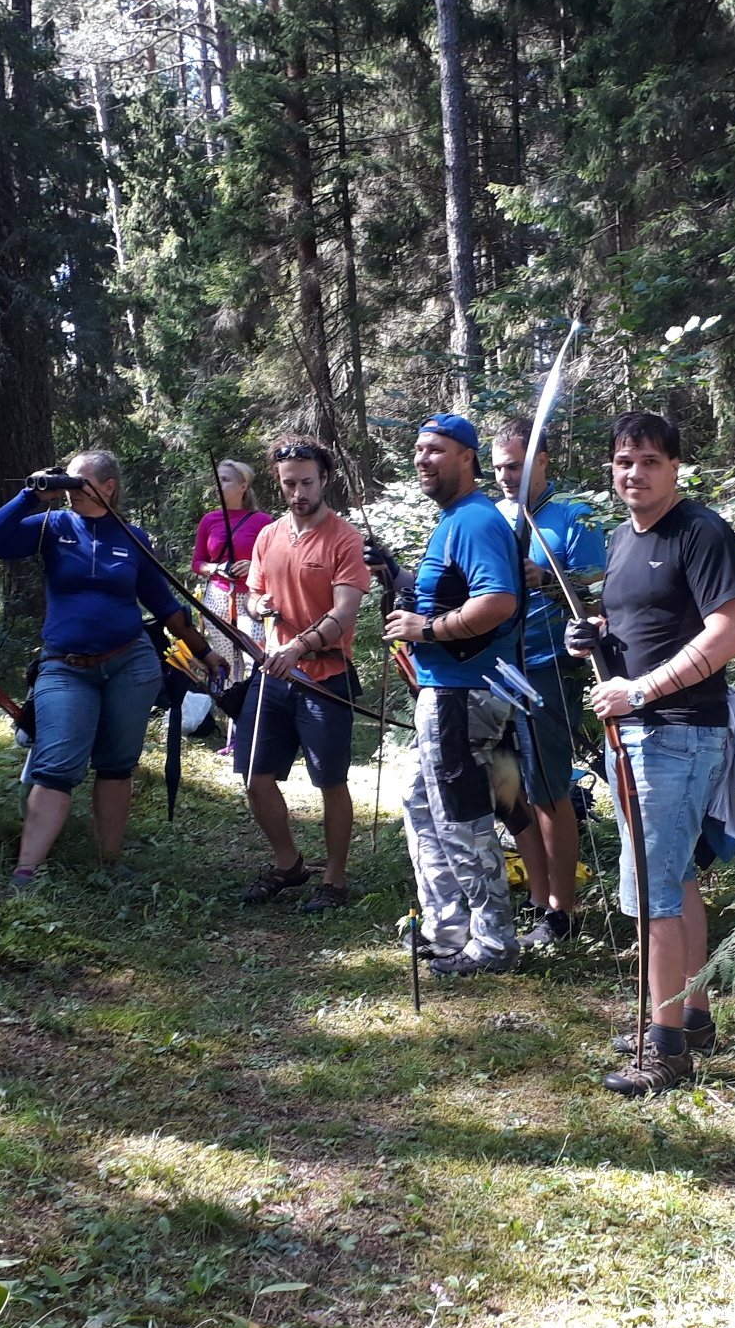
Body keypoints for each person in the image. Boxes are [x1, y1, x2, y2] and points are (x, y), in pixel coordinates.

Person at [566, 411, 735, 1095]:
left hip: (677, 730)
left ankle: (664, 1050)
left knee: (653, 892)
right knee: (675, 879)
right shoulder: (620, 540)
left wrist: (638, 690)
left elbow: (726, 636)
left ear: (674, 468)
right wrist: (596, 639)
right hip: (637, 729)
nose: (633, 473)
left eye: (648, 461)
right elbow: (641, 623)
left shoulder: (700, 532)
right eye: (622, 461)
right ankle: (691, 1018)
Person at [0, 451, 226, 893]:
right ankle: (25, 873)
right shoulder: (51, 527)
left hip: (129, 665)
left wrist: (204, 653)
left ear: (108, 486)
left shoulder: (133, 536)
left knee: (117, 766)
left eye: (80, 481)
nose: (71, 488)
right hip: (65, 666)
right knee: (56, 766)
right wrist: (30, 495)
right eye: (67, 480)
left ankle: (110, 862)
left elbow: (165, 606)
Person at [381, 413, 523, 975]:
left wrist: (429, 631)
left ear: (467, 457)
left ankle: (494, 942)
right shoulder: (453, 520)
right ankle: (447, 927)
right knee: (422, 804)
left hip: (463, 694)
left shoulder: (475, 521)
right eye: (418, 449)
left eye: (436, 450)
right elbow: (445, 593)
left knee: (462, 815)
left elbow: (498, 602)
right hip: (444, 690)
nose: (423, 459)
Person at [234, 439, 373, 915]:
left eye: (307, 482)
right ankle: (288, 864)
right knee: (255, 775)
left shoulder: (345, 539)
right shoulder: (268, 536)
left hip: (323, 678)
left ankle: (333, 879)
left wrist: (299, 647)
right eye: (289, 483)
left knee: (330, 781)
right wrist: (260, 606)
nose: (298, 492)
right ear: (278, 481)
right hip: (272, 675)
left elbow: (345, 612)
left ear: (324, 479)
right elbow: (253, 594)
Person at [491, 415, 606, 949]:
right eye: (497, 468)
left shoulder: (572, 518)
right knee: (507, 788)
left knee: (547, 788)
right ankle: (538, 900)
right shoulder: (493, 516)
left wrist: (551, 583)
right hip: (493, 669)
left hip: (548, 669)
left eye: (515, 465)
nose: (505, 477)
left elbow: (604, 594)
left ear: (542, 462)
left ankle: (565, 907)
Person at [191, 460, 273, 698]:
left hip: (251, 597)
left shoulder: (262, 521)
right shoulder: (209, 520)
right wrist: (219, 568)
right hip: (218, 596)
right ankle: (233, 717)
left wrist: (253, 565)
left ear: (243, 486)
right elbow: (198, 563)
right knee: (226, 659)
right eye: (217, 480)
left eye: (225, 480)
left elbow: (276, 561)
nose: (219, 485)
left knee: (255, 655)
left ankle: (256, 707)